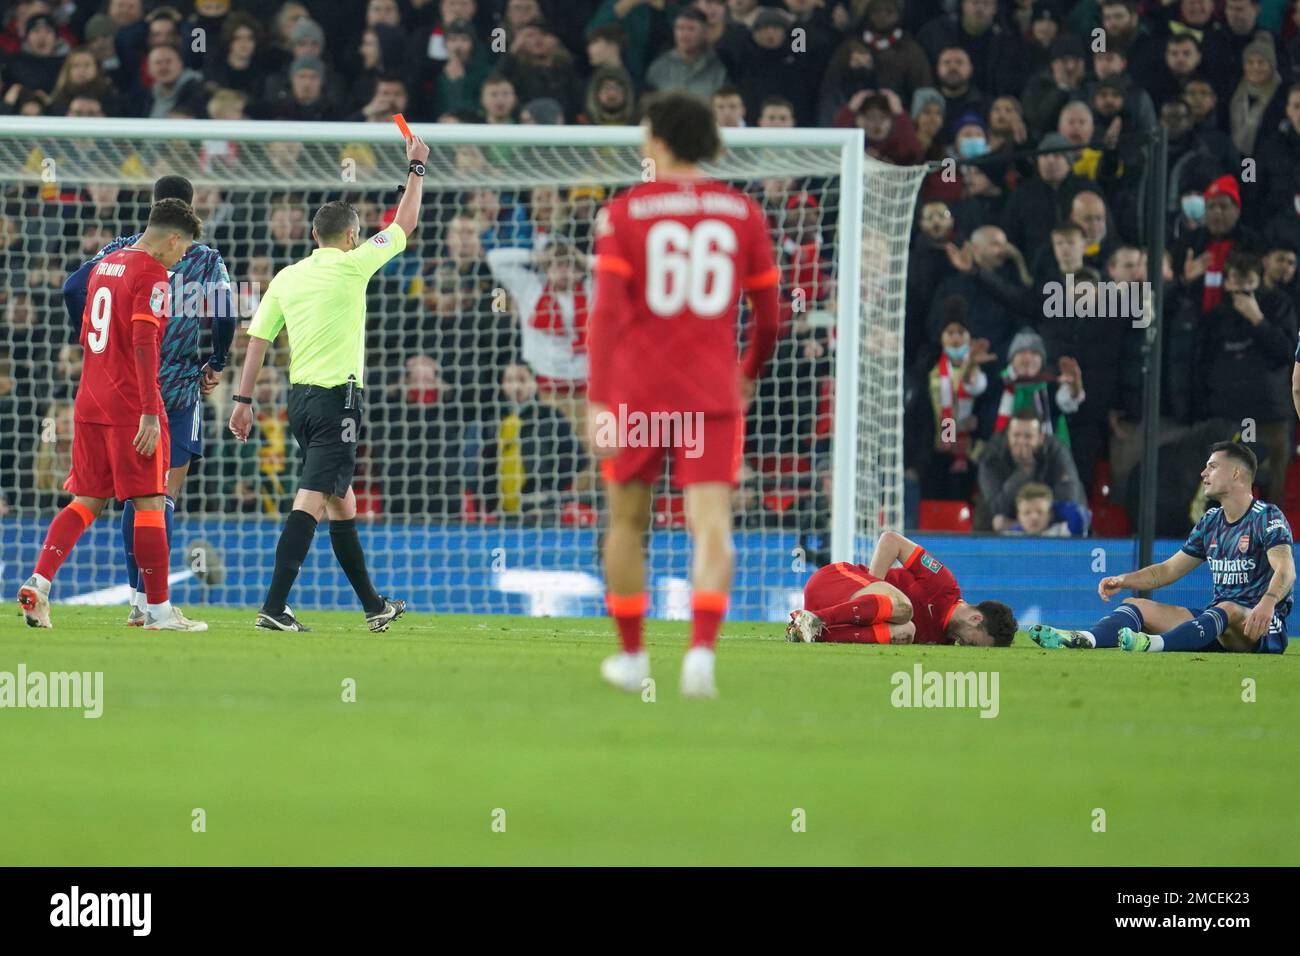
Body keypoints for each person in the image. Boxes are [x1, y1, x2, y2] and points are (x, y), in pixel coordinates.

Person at [589, 91, 780, 698]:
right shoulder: (742, 212)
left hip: (638, 394)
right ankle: (700, 654)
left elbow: (605, 319)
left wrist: (598, 397)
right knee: (711, 525)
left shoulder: (625, 213)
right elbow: (771, 317)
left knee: (626, 521)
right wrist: (747, 370)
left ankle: (634, 658)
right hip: (710, 393)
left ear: (662, 142)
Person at [227, 132, 431, 633]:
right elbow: (404, 223)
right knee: (313, 499)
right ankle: (274, 606)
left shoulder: (286, 277)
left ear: (314, 236)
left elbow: (257, 340)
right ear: (351, 236)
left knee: (343, 500)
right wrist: (417, 168)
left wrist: (243, 401)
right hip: (339, 402)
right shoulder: (354, 264)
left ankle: (373, 606)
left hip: (299, 404)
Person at [18, 199, 207, 632]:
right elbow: (144, 342)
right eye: (183, 249)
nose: (181, 258)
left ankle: (39, 581)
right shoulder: (152, 273)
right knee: (150, 502)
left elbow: (87, 328)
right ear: (173, 239)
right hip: (129, 406)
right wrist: (147, 412)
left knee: (86, 501)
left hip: (90, 400)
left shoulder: (107, 264)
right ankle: (158, 611)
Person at [62, 175, 235, 627]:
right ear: (188, 214)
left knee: (126, 498)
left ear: (153, 207)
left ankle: (139, 602)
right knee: (159, 497)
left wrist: (96, 342)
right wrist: (215, 361)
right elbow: (226, 313)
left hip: (119, 382)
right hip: (174, 385)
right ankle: (151, 600)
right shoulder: (205, 258)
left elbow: (71, 288)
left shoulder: (119, 250)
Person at [1031, 442, 1295, 653]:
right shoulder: (1211, 521)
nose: (1203, 473)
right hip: (1216, 624)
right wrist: (1124, 579)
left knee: (1228, 608)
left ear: (1236, 473)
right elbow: (1168, 570)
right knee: (1136, 604)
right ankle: (1084, 638)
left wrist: (1268, 602)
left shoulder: (1266, 517)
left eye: (1212, 466)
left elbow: (1286, 570)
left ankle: (1153, 645)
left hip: (1260, 628)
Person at [786, 530, 1018, 646]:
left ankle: (811, 634)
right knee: (904, 610)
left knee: (906, 630)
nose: (966, 646)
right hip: (834, 583)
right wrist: (874, 584)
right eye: (974, 643)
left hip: (847, 617)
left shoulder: (942, 640)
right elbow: (891, 540)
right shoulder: (944, 585)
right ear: (976, 619)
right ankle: (811, 618)